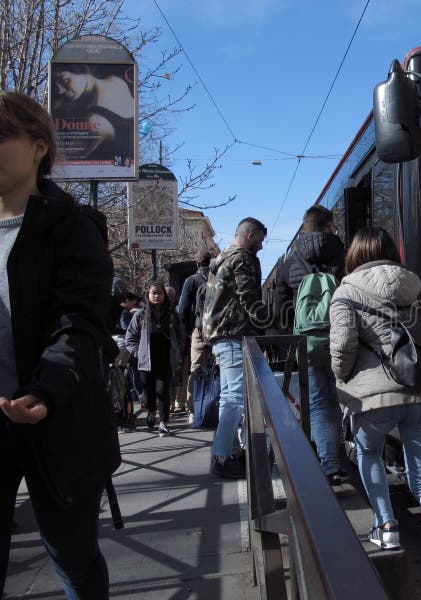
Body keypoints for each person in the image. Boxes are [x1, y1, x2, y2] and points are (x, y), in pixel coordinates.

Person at [0, 90, 121, 597]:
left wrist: (46, 391)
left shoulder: (71, 227)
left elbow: (79, 322)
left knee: (72, 558)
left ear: (38, 147)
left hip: (59, 422)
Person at [329, 227, 421, 600]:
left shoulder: (346, 291)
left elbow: (343, 347)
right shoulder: (413, 284)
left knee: (369, 454)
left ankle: (386, 524)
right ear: (391, 252)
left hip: (373, 399)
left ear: (354, 255)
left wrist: (342, 376)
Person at [273, 205, 346, 484]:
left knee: (317, 403)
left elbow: (280, 309)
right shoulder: (343, 253)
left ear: (305, 227)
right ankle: (353, 455)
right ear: (329, 226)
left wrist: (287, 342)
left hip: (307, 343)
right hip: (342, 338)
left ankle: (330, 463)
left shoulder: (289, 262)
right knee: (344, 398)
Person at [203, 217, 270, 478]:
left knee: (228, 397)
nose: (262, 247)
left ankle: (227, 452)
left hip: (219, 335)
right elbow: (249, 298)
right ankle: (221, 458)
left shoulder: (221, 260)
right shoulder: (243, 258)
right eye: (261, 240)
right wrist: (268, 322)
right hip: (234, 333)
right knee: (235, 398)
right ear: (251, 234)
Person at [125, 280, 183, 437]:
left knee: (163, 391)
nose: (156, 296)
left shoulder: (171, 315)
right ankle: (151, 411)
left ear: (164, 295)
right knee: (148, 392)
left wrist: (178, 351)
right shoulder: (140, 314)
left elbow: (180, 335)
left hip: (165, 359)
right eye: (153, 293)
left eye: (159, 293)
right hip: (146, 361)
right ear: (148, 295)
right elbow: (130, 337)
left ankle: (163, 422)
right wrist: (137, 352)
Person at [51, 64, 135, 164]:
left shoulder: (95, 122)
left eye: (65, 80)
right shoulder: (115, 80)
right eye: (56, 87)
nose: (61, 90)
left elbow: (61, 162)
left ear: (80, 70)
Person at [177, 249, 213, 425]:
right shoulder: (219, 278)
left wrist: (186, 332)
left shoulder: (191, 281)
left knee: (196, 368)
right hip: (218, 331)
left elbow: (183, 309)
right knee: (218, 368)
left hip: (199, 331)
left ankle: (193, 408)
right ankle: (216, 404)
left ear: (197, 264)